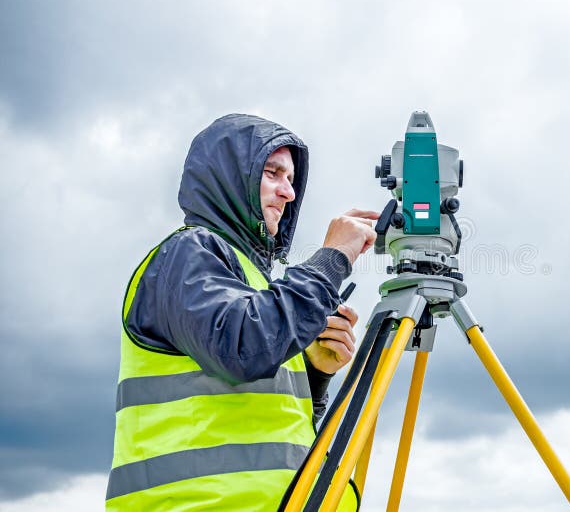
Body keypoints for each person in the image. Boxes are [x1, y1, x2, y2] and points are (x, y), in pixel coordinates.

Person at [106, 114, 378, 510]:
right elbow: (242, 348)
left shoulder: (255, 284)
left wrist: (314, 375)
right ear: (232, 179)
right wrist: (331, 260)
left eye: (291, 180)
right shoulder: (187, 254)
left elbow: (268, 433)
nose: (288, 193)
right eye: (273, 173)